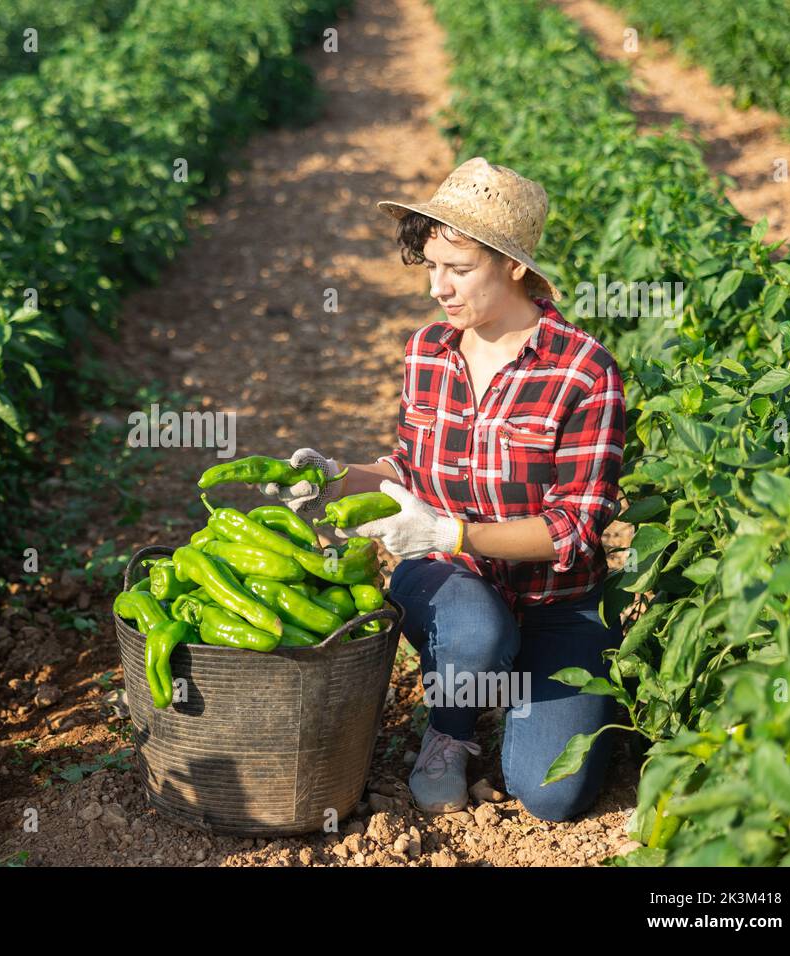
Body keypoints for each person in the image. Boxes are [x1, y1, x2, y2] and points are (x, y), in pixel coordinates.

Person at [261, 157, 627, 821]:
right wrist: (334, 473)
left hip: (555, 601)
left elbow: (574, 531)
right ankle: (451, 730)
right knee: (476, 631)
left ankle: (572, 691)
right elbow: (408, 465)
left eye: (458, 270)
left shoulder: (583, 371)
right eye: (431, 267)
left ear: (512, 265)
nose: (438, 288)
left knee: (551, 795)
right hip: (454, 586)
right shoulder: (429, 349)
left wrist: (447, 531)